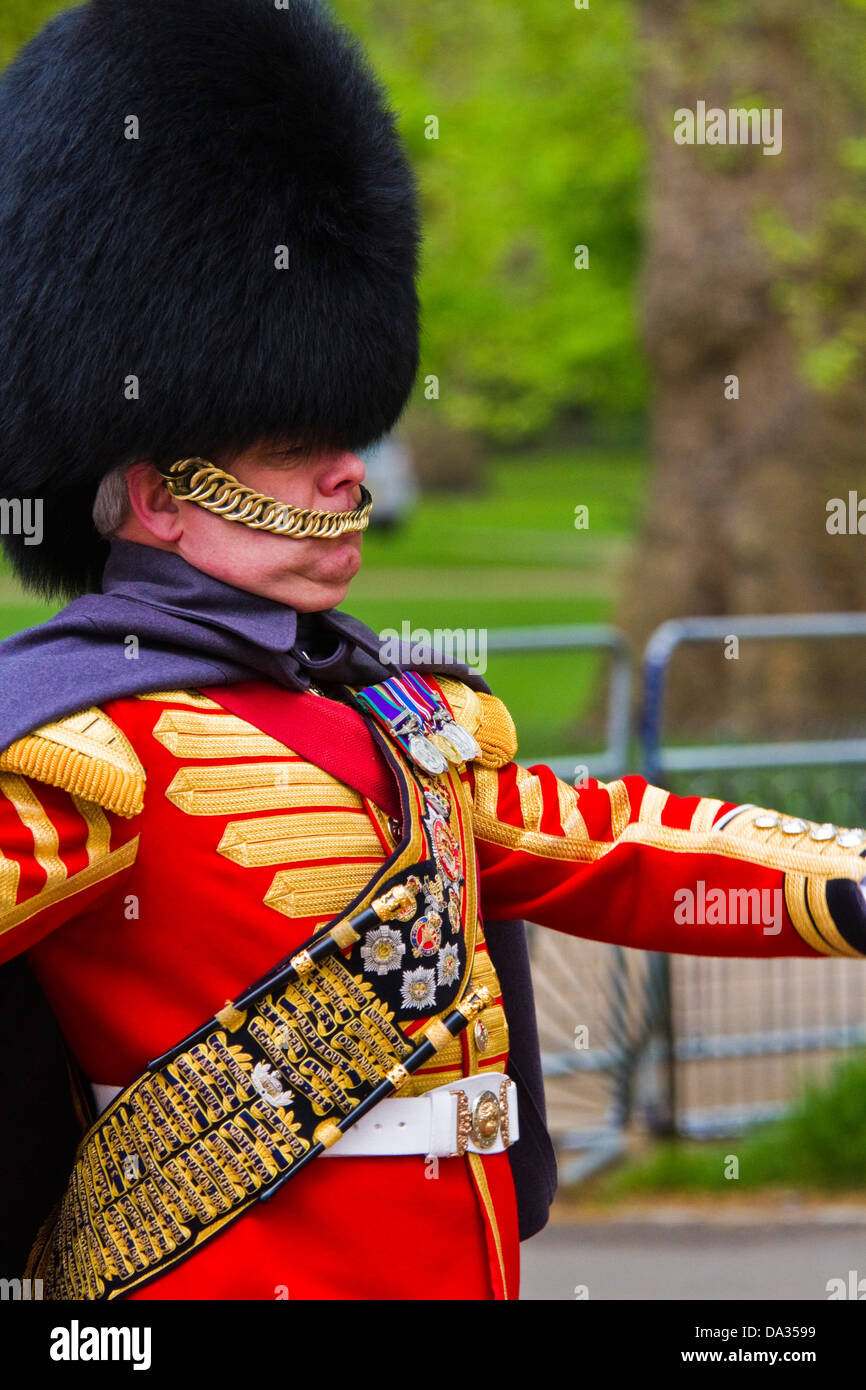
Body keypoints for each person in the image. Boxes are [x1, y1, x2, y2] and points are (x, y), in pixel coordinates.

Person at [0, 0, 864, 1302]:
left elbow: (612, 846)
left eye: (347, 430)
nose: (350, 470)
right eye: (294, 443)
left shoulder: (402, 720)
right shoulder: (91, 754)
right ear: (161, 491)